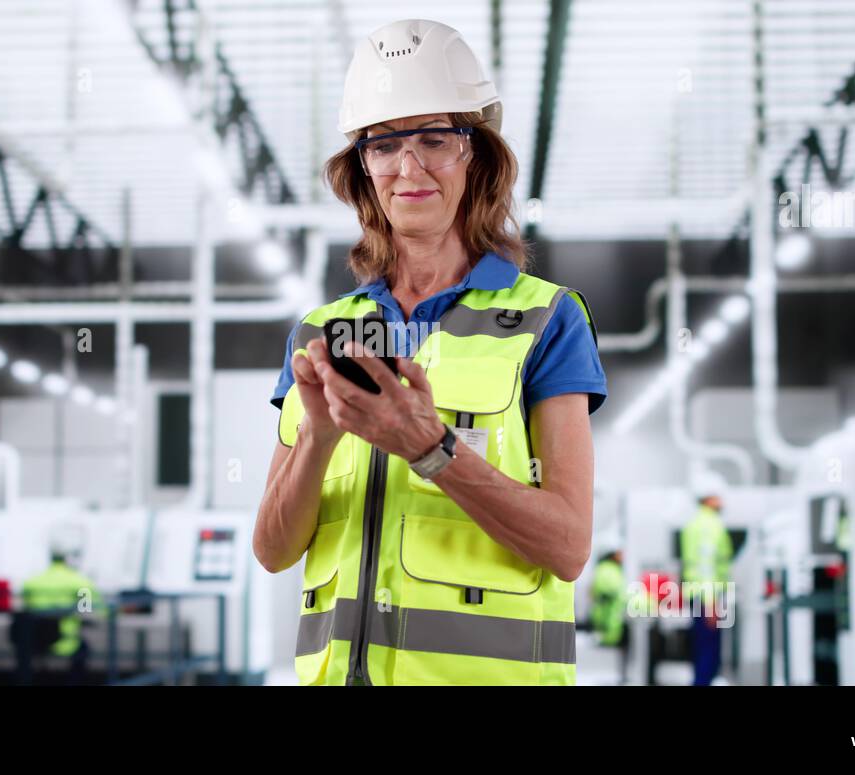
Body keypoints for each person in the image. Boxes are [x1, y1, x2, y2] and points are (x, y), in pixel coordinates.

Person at [254, 19, 608, 685]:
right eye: (384, 144)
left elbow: (567, 545)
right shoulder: (320, 334)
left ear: (475, 154)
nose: (408, 167)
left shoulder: (547, 320)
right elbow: (273, 549)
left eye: (434, 139)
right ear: (363, 166)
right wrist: (319, 438)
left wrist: (429, 448)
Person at [18, 530, 101, 685]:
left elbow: (25, 605)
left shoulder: (32, 582)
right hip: (65, 641)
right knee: (83, 649)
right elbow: (90, 610)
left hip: (34, 639)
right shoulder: (79, 582)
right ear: (68, 559)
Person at [680, 494, 733, 686]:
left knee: (702, 645)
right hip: (706, 595)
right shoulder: (710, 525)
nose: (722, 501)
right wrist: (711, 602)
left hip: (698, 593)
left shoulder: (694, 524)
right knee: (708, 649)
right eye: (718, 497)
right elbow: (706, 566)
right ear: (708, 499)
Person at [589, 549, 629, 681]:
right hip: (611, 616)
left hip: (605, 615)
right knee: (613, 651)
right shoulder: (610, 570)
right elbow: (615, 590)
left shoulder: (602, 568)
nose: (622, 558)